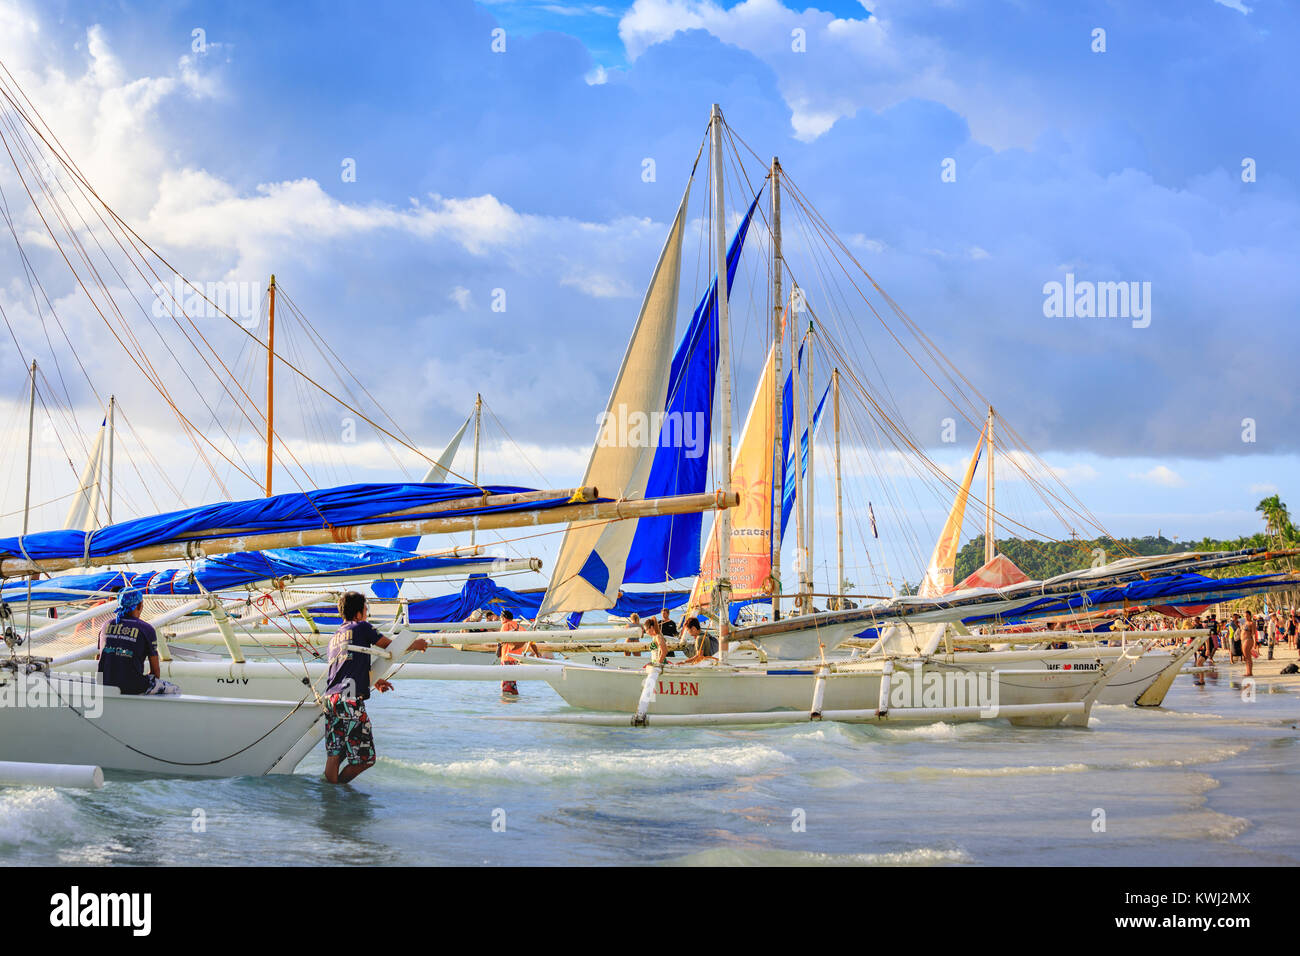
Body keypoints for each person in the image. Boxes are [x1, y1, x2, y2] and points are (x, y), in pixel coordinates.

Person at [323, 591, 428, 785]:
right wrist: (416, 644)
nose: (366, 613)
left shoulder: (335, 636)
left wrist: (375, 680)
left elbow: (347, 665)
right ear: (359, 613)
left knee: (335, 753)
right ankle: (337, 790)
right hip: (350, 697)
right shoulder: (361, 626)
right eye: (365, 609)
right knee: (366, 759)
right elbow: (389, 646)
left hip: (331, 698)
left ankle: (328, 794)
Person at [96, 587, 180, 696]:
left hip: (104, 684)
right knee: (175, 690)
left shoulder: (106, 625)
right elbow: (156, 672)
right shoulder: (146, 629)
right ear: (140, 605)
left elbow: (100, 658)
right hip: (133, 687)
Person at [497, 610, 540, 696]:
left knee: (505, 686)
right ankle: (514, 703)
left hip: (507, 658)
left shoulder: (505, 625)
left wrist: (499, 651)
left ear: (503, 618)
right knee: (513, 684)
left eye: (500, 619)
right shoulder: (519, 627)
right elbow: (531, 640)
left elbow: (500, 640)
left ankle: (507, 705)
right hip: (516, 659)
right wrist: (537, 654)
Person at [1242, 610, 1258, 678]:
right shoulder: (1244, 623)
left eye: (1247, 616)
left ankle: (1250, 672)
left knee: (1248, 657)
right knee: (1246, 657)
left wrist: (1255, 643)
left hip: (1248, 640)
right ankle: (1248, 671)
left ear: (1250, 616)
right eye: (1245, 616)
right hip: (1243, 640)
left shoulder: (1252, 623)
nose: (1246, 617)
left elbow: (1254, 633)